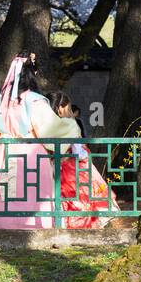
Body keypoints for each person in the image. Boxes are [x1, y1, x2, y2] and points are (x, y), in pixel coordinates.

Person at [0, 54, 68, 230]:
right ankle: (36, 228)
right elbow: (52, 133)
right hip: (31, 154)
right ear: (33, 74)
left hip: (3, 153)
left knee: (2, 197)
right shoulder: (35, 101)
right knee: (33, 195)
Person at [47, 91, 113, 229]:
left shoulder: (47, 124)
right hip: (73, 167)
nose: (70, 111)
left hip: (54, 166)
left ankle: (65, 224)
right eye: (68, 108)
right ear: (61, 108)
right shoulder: (69, 124)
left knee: (64, 198)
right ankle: (85, 224)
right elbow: (78, 151)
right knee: (83, 195)